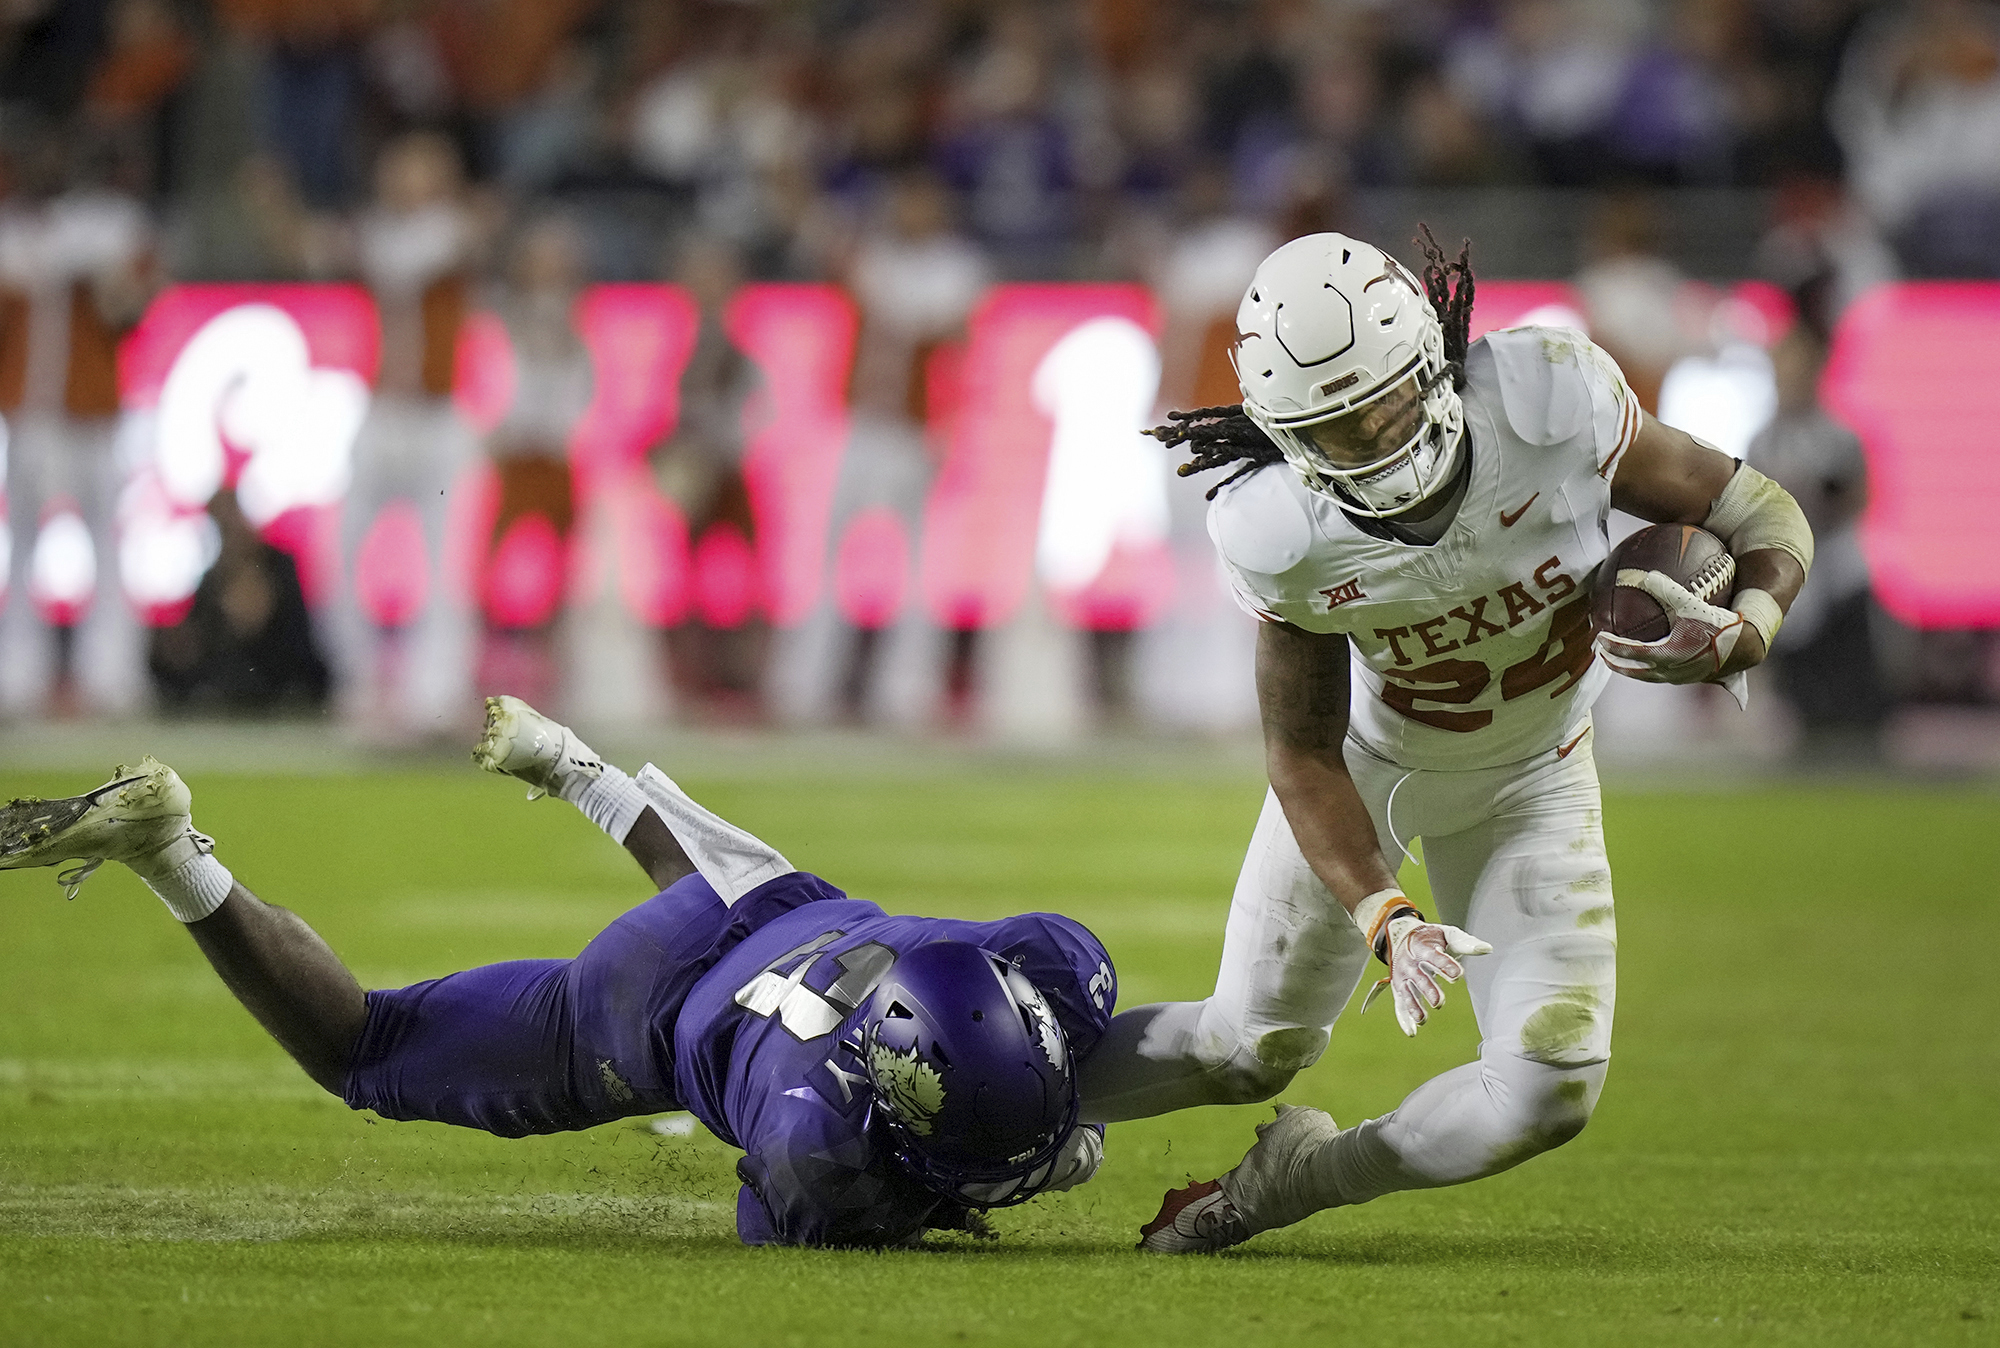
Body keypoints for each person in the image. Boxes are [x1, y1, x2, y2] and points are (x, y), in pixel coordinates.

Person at [1081, 229, 1813, 1252]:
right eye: (1332, 431)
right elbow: (1300, 749)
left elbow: (1755, 510)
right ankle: (994, 1112)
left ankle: (1292, 1178)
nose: (1370, 442)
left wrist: (1750, 624)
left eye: (1379, 404)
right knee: (1248, 1048)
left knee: (1548, 1087)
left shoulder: (1547, 402)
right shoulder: (1279, 529)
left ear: (1430, 360)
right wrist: (1384, 915)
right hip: (1378, 767)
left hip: (1537, 774)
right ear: (1283, 434)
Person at [0, 696, 1112, 1247]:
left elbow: (1029, 979)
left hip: (757, 901)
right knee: (366, 1047)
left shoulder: (1037, 964)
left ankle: (572, 765)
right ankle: (170, 854)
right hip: (647, 1009)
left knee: (726, 896)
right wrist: (958, 1181)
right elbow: (785, 1208)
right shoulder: (817, 1145)